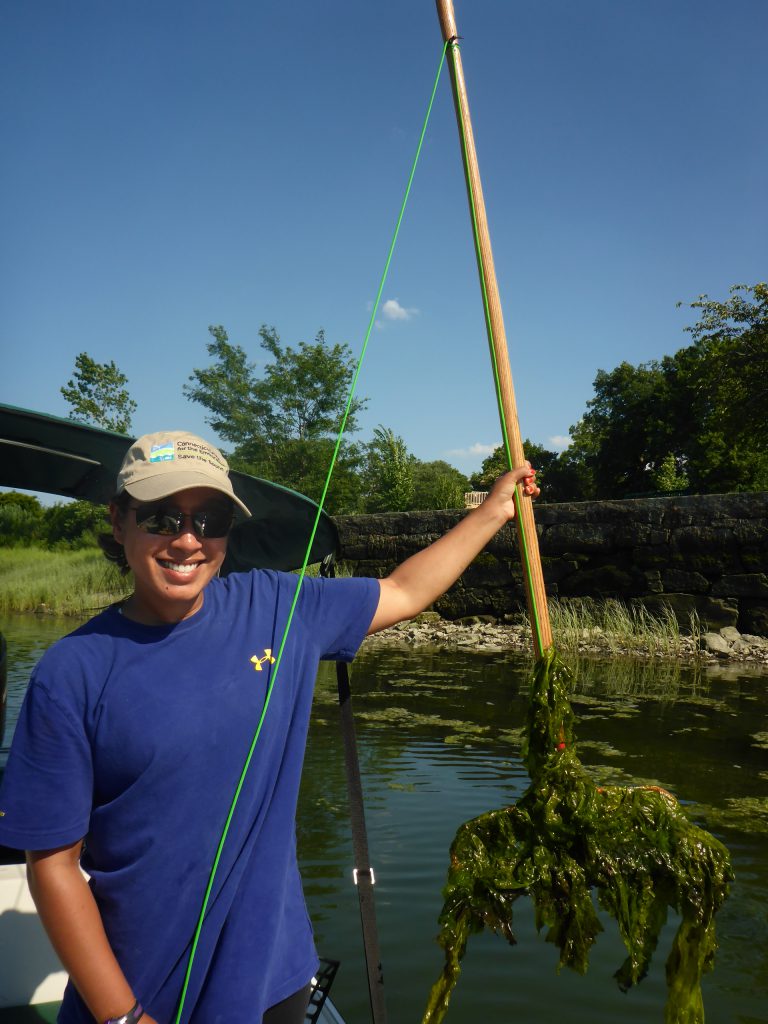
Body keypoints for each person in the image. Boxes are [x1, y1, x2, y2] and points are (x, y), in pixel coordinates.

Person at [0, 430, 538, 1024]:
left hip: (275, 977)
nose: (187, 540)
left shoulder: (279, 607)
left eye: (210, 520)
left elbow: (403, 592)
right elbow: (51, 862)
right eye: (160, 517)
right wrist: (122, 1016)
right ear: (119, 521)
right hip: (140, 989)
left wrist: (493, 513)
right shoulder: (72, 670)